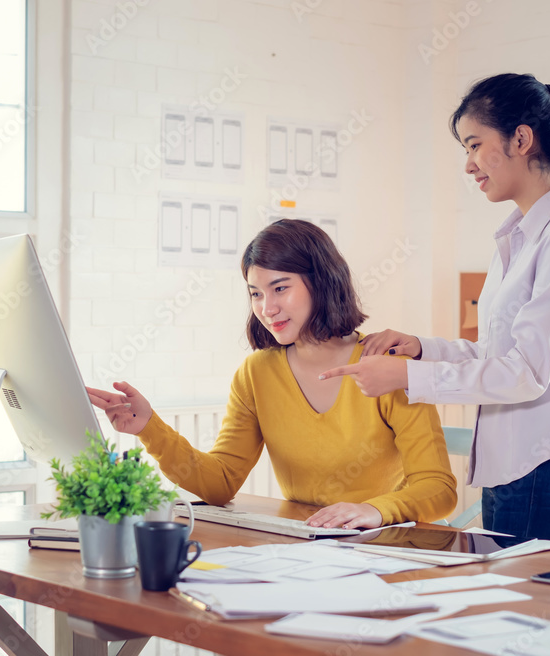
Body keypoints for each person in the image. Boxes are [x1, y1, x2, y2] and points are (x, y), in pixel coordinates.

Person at [320, 74, 550, 547]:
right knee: (505, 611)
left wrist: (407, 379)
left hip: (548, 465)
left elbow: (526, 373)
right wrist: (420, 350)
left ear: (521, 138)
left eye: (474, 145)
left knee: (527, 614)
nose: (469, 165)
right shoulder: (521, 236)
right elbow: (496, 354)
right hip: (515, 462)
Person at [87, 219, 457, 529]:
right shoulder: (257, 373)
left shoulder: (386, 365)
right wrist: (149, 426)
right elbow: (220, 483)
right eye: (255, 294)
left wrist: (374, 510)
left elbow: (439, 489)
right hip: (307, 544)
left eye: (280, 288)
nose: (267, 308)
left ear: (322, 281)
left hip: (390, 546)